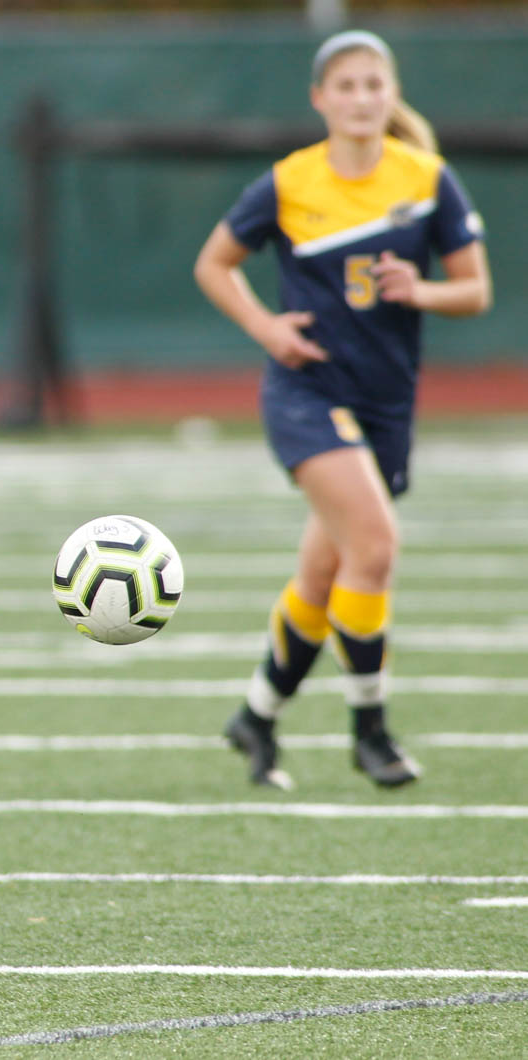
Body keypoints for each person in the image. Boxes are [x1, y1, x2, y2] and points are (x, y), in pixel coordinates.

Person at [194, 30, 491, 791]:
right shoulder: (290, 181)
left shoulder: (424, 178)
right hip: (308, 393)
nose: (361, 98)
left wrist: (417, 290)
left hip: (385, 400)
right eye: (346, 86)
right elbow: (214, 263)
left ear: (390, 95)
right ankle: (371, 732)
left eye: (373, 85)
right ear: (319, 99)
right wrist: (265, 328)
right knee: (376, 546)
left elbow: (474, 289)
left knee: (327, 573)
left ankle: (255, 717)